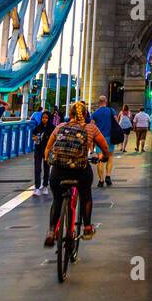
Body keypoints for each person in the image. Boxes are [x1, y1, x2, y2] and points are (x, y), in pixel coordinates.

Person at [44, 101, 109, 246]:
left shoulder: (60, 126)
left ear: (70, 114)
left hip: (59, 171)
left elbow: (48, 148)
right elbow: (104, 147)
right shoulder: (91, 128)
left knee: (57, 200)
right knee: (86, 196)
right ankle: (86, 227)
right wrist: (104, 157)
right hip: (80, 171)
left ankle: (51, 231)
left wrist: (48, 160)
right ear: (85, 114)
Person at [89, 95, 116, 188]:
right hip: (110, 137)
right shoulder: (111, 111)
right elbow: (116, 122)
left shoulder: (95, 113)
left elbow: (92, 126)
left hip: (99, 138)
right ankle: (108, 176)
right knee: (110, 156)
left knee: (100, 158)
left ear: (98, 102)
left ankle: (101, 180)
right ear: (106, 101)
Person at [31, 110, 56, 196]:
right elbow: (33, 135)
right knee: (37, 169)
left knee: (46, 168)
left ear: (49, 119)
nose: (44, 119)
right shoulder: (38, 127)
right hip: (38, 150)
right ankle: (37, 188)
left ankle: (45, 185)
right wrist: (35, 138)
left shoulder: (53, 128)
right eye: (43, 118)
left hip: (47, 151)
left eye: (46, 118)